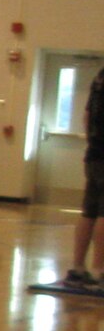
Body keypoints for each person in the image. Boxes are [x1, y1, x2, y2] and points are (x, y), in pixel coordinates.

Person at [68, 65, 104, 287]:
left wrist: (93, 143)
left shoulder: (99, 76)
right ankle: (101, 271)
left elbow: (87, 115)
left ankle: (77, 268)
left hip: (94, 153)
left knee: (89, 211)